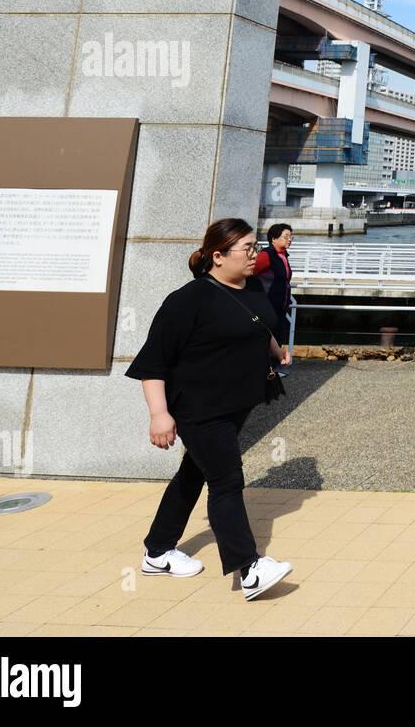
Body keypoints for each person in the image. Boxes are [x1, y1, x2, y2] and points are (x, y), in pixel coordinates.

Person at [127, 218, 294, 600]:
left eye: (256, 247)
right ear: (217, 257)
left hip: (237, 401)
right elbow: (153, 363)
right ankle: (248, 568)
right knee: (226, 480)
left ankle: (157, 551)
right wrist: (159, 415)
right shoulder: (188, 300)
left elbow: (260, 325)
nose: (256, 255)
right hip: (197, 407)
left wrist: (275, 351)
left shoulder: (250, 286)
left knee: (194, 473)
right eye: (247, 249)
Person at [253, 223, 294, 361]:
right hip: (268, 307)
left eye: (291, 237)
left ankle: (273, 372)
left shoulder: (283, 255)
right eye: (286, 236)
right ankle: (264, 372)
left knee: (277, 339)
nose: (290, 239)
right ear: (274, 239)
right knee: (267, 341)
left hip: (281, 308)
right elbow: (249, 273)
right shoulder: (266, 255)